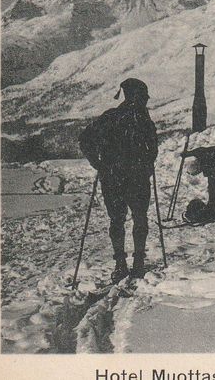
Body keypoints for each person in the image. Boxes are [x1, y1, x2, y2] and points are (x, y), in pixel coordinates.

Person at [78, 77, 158, 282]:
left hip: (112, 178)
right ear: (135, 97)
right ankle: (137, 262)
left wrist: (97, 163)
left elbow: (85, 139)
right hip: (136, 178)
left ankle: (121, 263)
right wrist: (147, 164)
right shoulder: (143, 120)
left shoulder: (109, 117)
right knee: (139, 217)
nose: (146, 101)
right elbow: (153, 148)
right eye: (143, 97)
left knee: (117, 220)